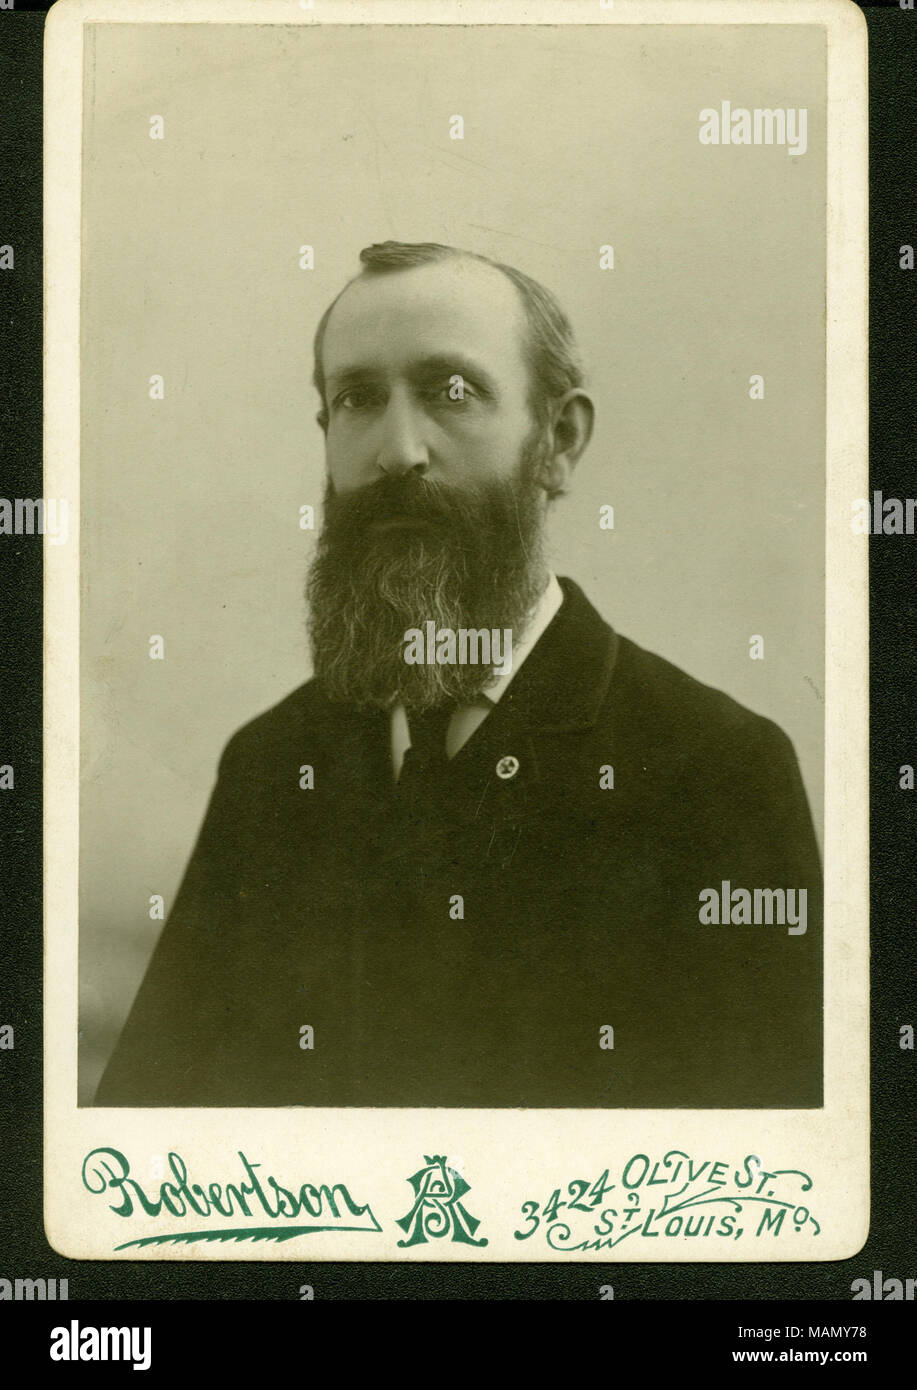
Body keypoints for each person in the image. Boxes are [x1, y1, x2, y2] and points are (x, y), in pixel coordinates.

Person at [95, 241, 822, 1108]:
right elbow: (152, 1123)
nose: (397, 451)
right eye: (358, 399)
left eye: (451, 391)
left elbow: (761, 1162)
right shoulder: (272, 765)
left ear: (557, 441)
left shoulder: (713, 773)